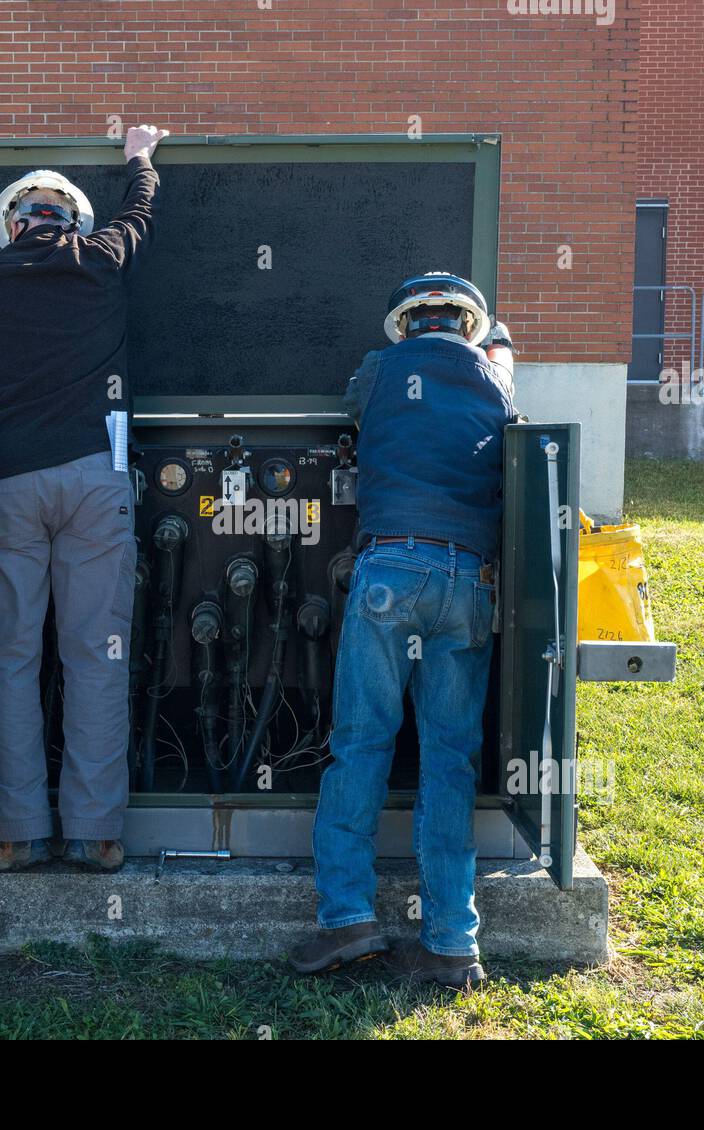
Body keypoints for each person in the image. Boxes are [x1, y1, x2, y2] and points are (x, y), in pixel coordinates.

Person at [0, 123, 169, 874]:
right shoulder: (101, 260)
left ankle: (19, 833)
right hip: (96, 481)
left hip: (3, 486)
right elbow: (142, 215)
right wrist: (140, 160)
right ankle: (96, 835)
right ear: (73, 222)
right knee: (97, 656)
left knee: (8, 659)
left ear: (13, 225)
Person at [290, 272, 516, 987]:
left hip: (392, 569)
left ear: (406, 323)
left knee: (361, 744)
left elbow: (356, 409)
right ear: (468, 325)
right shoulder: (492, 378)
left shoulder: (381, 369)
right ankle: (452, 942)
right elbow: (503, 398)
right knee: (450, 759)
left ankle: (347, 918)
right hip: (470, 581)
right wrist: (497, 349)